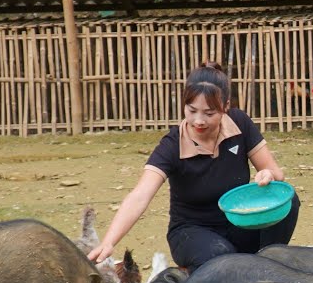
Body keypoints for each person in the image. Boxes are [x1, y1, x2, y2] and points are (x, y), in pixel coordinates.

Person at [87, 62, 298, 272]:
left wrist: (267, 174)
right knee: (221, 257)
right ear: (184, 105)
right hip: (192, 231)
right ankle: (235, 270)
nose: (198, 120)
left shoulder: (239, 123)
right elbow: (140, 195)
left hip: (238, 222)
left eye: (209, 113)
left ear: (225, 107)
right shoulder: (172, 145)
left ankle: (267, 265)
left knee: (289, 203)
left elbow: (277, 174)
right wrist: (109, 241)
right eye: (192, 110)